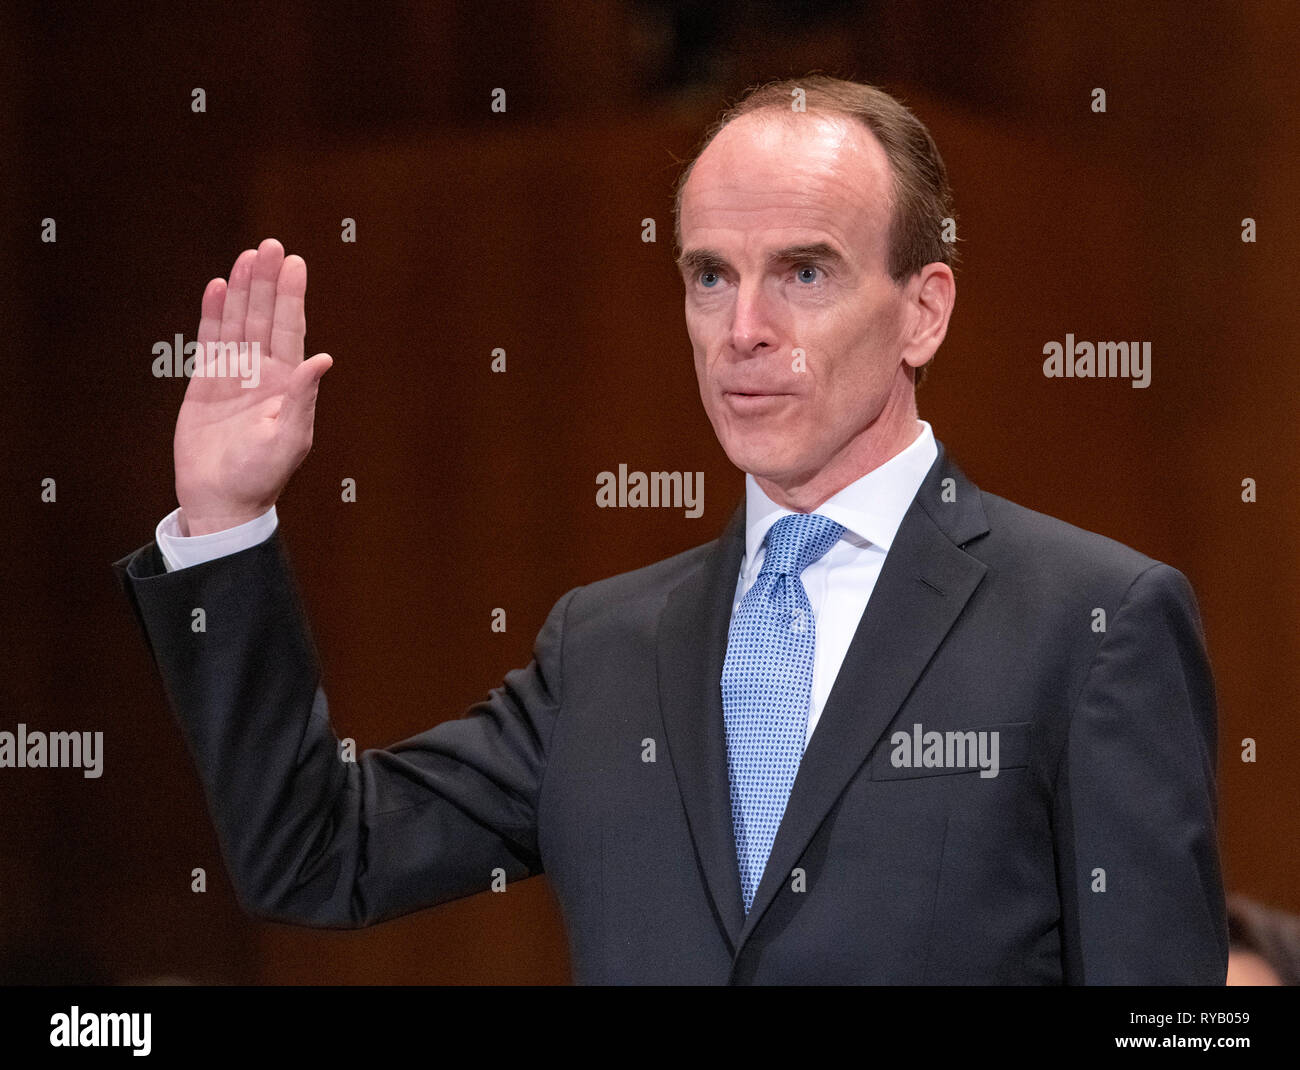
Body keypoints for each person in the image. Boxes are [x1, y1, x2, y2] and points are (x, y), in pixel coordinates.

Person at [115, 76, 1226, 984]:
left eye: (803, 271)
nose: (744, 330)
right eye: (709, 275)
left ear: (923, 309)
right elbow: (318, 856)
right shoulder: (604, 648)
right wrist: (224, 520)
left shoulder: (1092, 622)